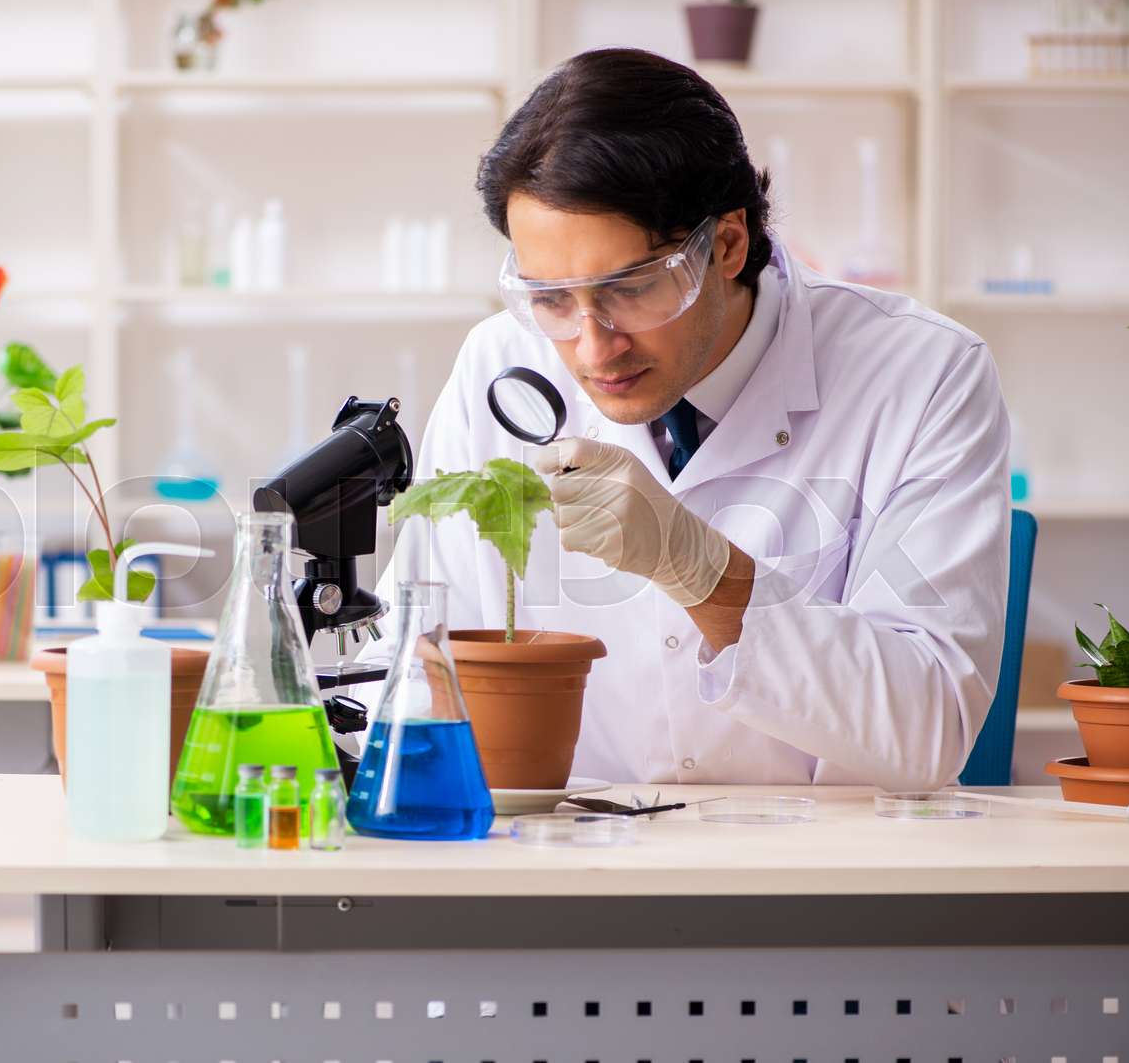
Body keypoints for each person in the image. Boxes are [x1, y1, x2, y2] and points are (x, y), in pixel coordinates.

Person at [363, 48, 1010, 790]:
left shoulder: (924, 372)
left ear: (727, 244)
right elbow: (408, 657)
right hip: (564, 860)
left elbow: (929, 730)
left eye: (630, 289)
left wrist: (700, 569)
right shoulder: (499, 364)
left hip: (826, 871)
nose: (591, 344)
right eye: (550, 299)